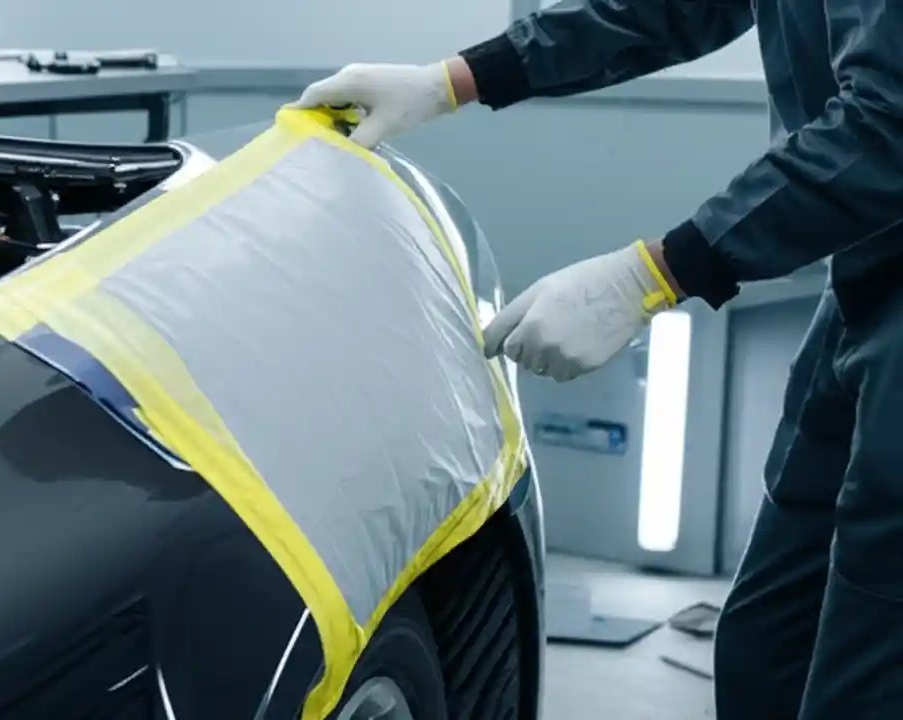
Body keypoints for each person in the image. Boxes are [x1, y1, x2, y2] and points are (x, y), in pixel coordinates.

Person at [295, 1, 903, 717]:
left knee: (867, 664)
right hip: (864, 276)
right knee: (766, 647)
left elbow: (889, 129)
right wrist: (453, 79)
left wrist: (655, 274)